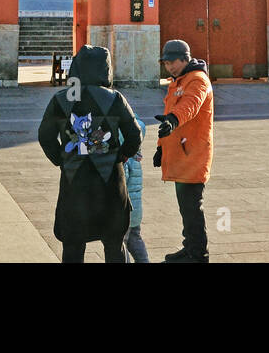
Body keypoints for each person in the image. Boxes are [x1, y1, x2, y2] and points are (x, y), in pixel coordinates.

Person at [37, 45, 142, 263]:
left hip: (74, 179)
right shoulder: (115, 98)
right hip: (111, 179)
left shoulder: (61, 98)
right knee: (114, 242)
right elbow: (134, 135)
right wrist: (121, 156)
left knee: (73, 242)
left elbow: (45, 136)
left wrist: (61, 159)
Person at [155, 38, 213, 263]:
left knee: (192, 208)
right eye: (166, 63)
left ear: (184, 59)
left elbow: (190, 105)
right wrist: (160, 148)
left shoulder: (197, 80)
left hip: (193, 154)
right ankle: (190, 247)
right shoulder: (177, 81)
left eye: (173, 62)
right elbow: (169, 114)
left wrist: (172, 119)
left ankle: (198, 255)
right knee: (186, 207)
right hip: (180, 153)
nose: (169, 67)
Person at [123, 115, 149, 263]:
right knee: (135, 238)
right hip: (136, 210)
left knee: (120, 243)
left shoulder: (125, 162)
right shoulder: (135, 157)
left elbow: (121, 184)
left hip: (125, 210)